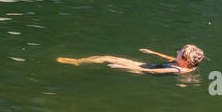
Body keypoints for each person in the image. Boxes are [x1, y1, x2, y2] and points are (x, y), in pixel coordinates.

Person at [58, 45, 206, 75]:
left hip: (145, 70)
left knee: (107, 58)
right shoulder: (186, 65)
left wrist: (121, 67)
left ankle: (78, 62)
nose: (177, 51)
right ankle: (79, 61)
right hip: (149, 65)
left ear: (185, 61)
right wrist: (153, 52)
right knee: (107, 57)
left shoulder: (176, 69)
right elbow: (168, 58)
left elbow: (154, 72)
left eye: (180, 53)